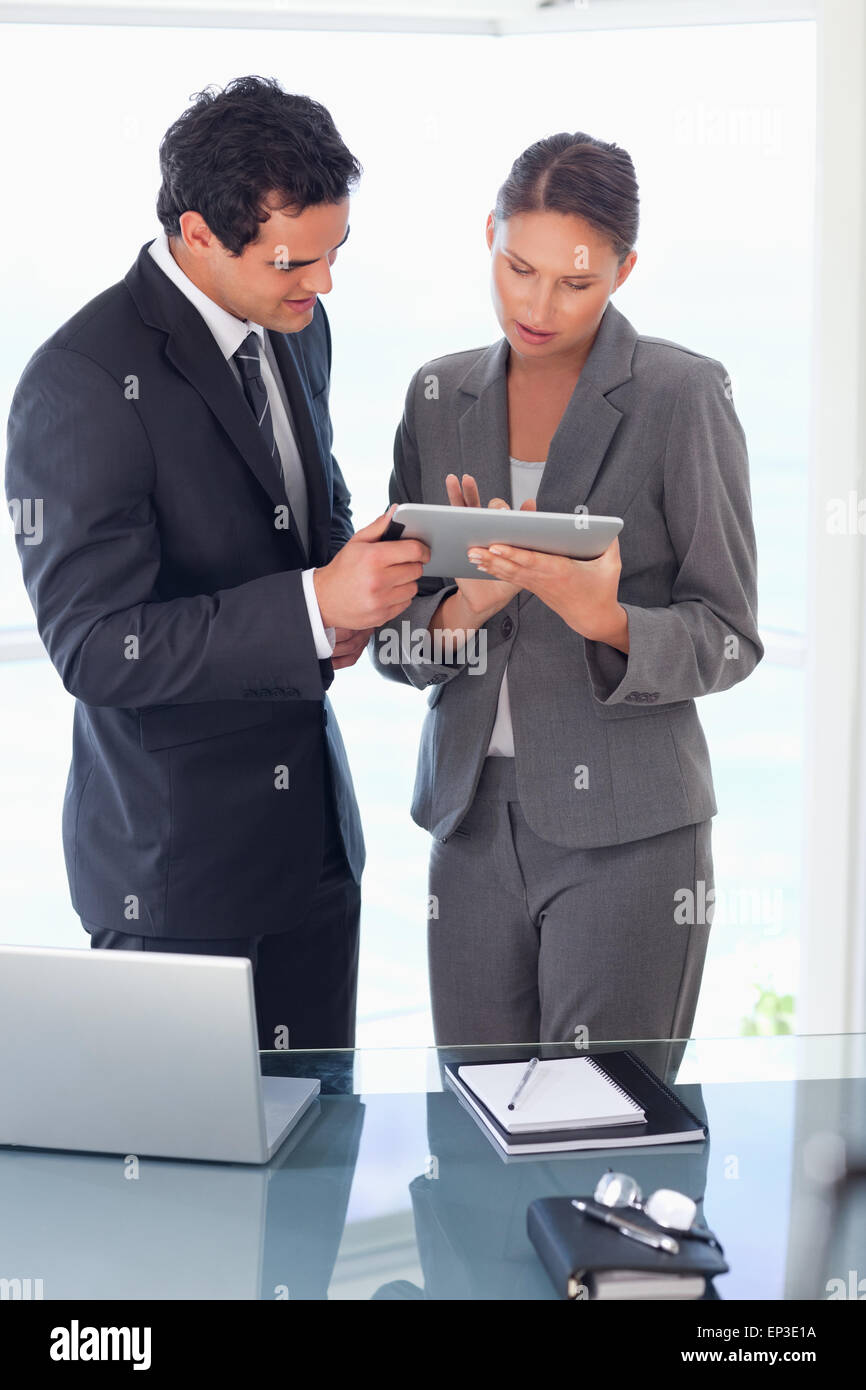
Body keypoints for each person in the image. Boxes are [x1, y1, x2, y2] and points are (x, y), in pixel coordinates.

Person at [4, 76, 428, 1050]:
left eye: (334, 255)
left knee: (316, 1163)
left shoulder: (295, 324)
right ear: (198, 233)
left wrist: (374, 576)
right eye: (294, 261)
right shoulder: (77, 383)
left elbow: (308, 516)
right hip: (174, 883)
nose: (321, 285)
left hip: (316, 856)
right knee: (185, 1193)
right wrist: (313, 606)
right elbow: (97, 648)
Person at [373, 131, 763, 1047]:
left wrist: (609, 620)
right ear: (489, 238)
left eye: (576, 282)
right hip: (467, 826)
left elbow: (732, 633)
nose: (538, 304)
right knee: (470, 1132)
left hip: (628, 834)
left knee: (604, 1136)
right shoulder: (437, 394)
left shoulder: (682, 393)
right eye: (518, 268)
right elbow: (394, 641)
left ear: (624, 270)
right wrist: (464, 607)